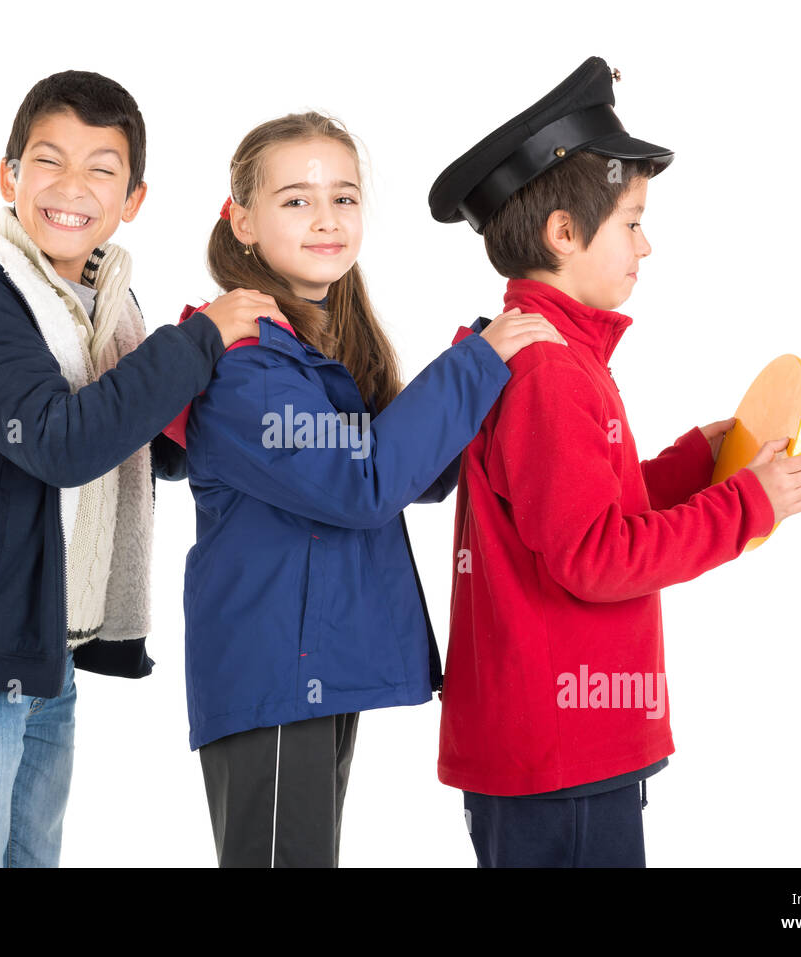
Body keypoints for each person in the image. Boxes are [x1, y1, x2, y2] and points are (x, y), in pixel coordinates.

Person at [0, 70, 272, 867]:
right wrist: (196, 347)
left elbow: (137, 448)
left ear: (134, 199)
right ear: (8, 176)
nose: (71, 187)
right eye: (48, 162)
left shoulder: (105, 302)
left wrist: (232, 402)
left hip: (42, 646)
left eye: (102, 169)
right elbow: (60, 442)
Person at [428, 56, 801, 867]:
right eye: (632, 221)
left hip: (557, 754)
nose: (649, 243)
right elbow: (594, 556)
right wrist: (746, 504)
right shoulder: (549, 371)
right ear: (563, 234)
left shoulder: (555, 355)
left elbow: (580, 508)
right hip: (561, 761)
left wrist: (694, 466)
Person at [159, 111, 567, 867]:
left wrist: (481, 374)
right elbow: (363, 482)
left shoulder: (313, 349)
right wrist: (475, 365)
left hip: (314, 667)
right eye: (296, 199)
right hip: (276, 671)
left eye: (344, 198)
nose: (327, 219)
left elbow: (411, 472)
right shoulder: (247, 368)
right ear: (242, 222)